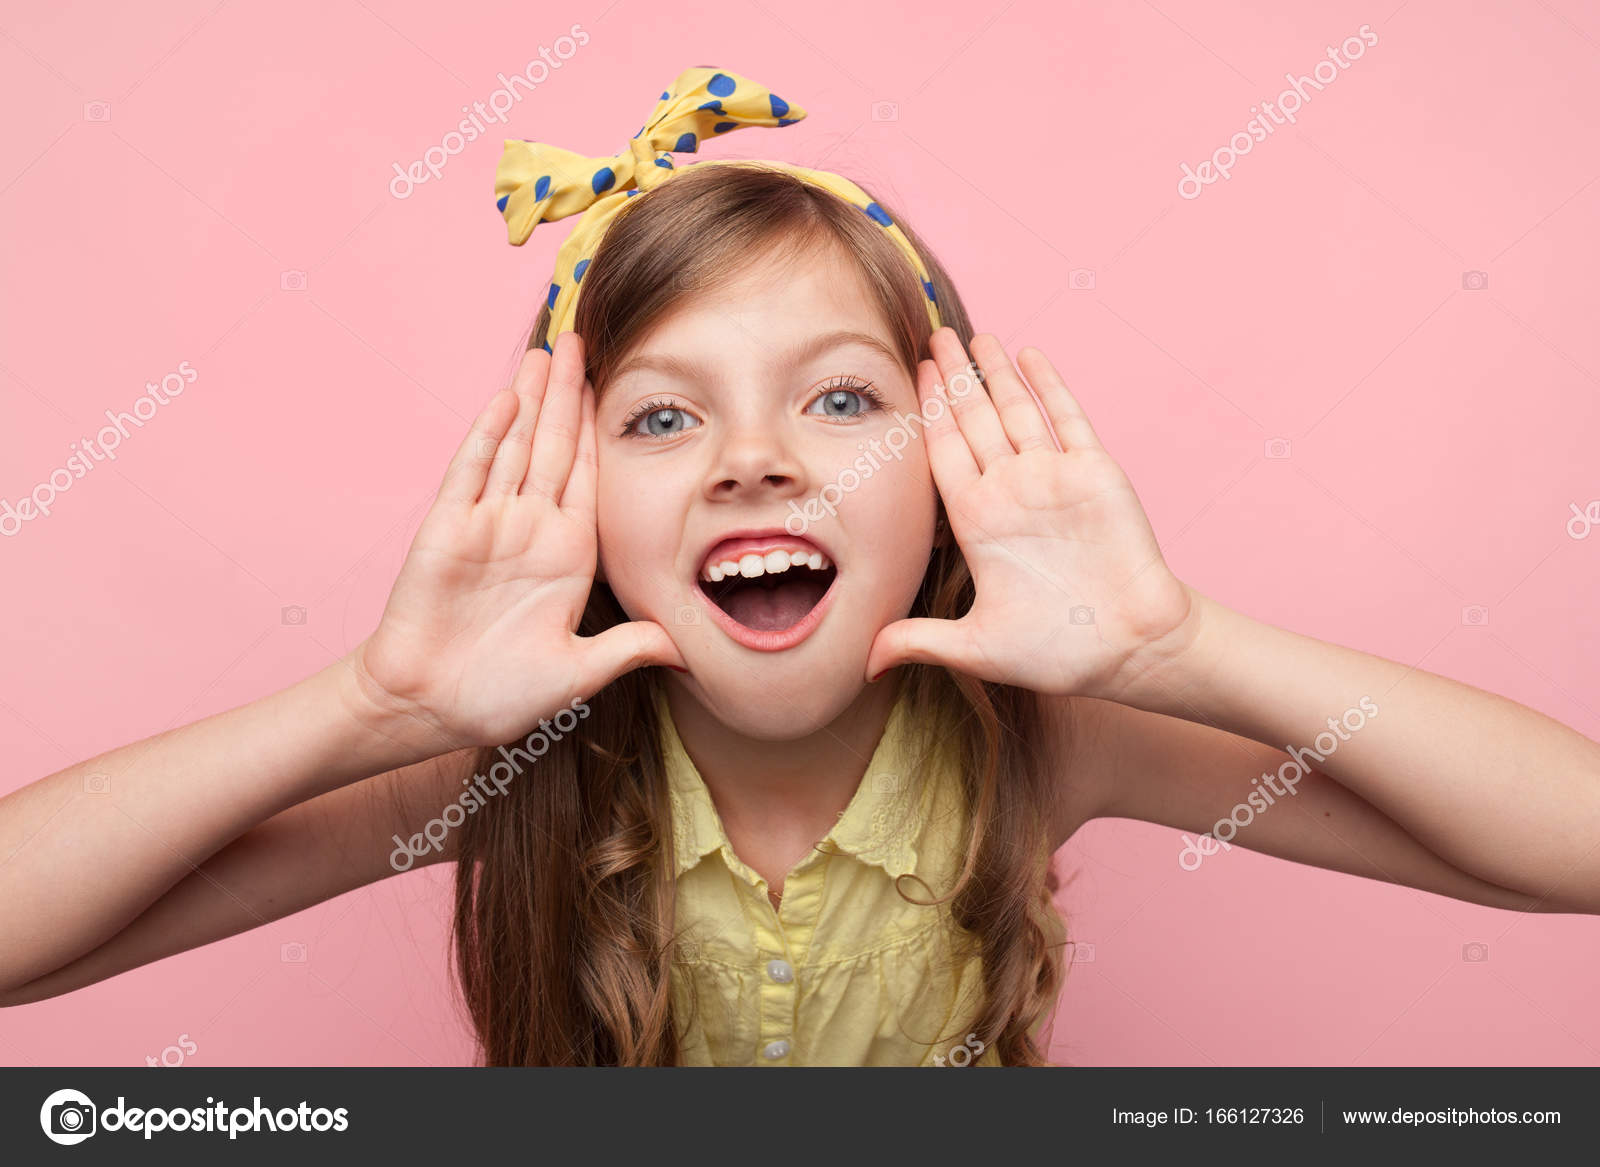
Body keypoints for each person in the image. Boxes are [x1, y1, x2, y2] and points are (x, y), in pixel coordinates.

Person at [3, 66, 1596, 1067]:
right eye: (663, 416)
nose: (753, 458)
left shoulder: (1048, 745)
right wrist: (370, 704)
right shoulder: (503, 773)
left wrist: (1179, 648)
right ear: (576, 497)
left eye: (841, 400)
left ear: (953, 471)